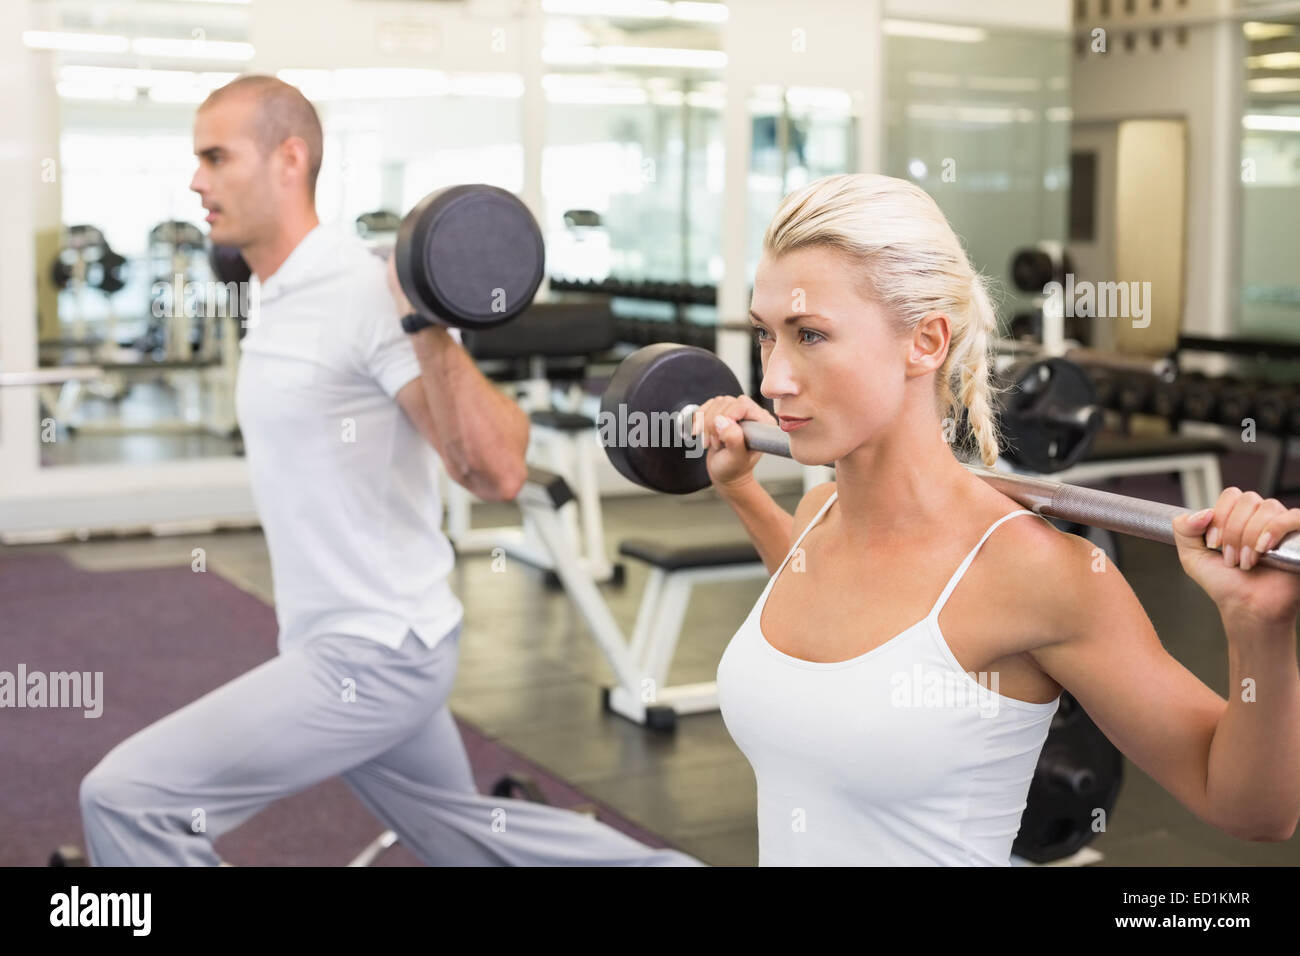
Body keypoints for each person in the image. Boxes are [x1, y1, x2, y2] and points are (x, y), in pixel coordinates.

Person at [78, 75, 699, 867]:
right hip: (351, 639)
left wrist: (424, 319)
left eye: (215, 157)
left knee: (129, 799)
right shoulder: (282, 292)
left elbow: (500, 469)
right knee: (467, 841)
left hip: (373, 652)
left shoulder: (365, 290)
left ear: (288, 160)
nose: (195, 181)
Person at [692, 172, 1300, 866]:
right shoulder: (818, 515)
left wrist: (1260, 629)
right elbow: (836, 638)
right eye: (766, 336)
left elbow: (1253, 809)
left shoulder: (1037, 574)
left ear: (924, 342)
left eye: (811, 335)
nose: (772, 380)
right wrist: (741, 490)